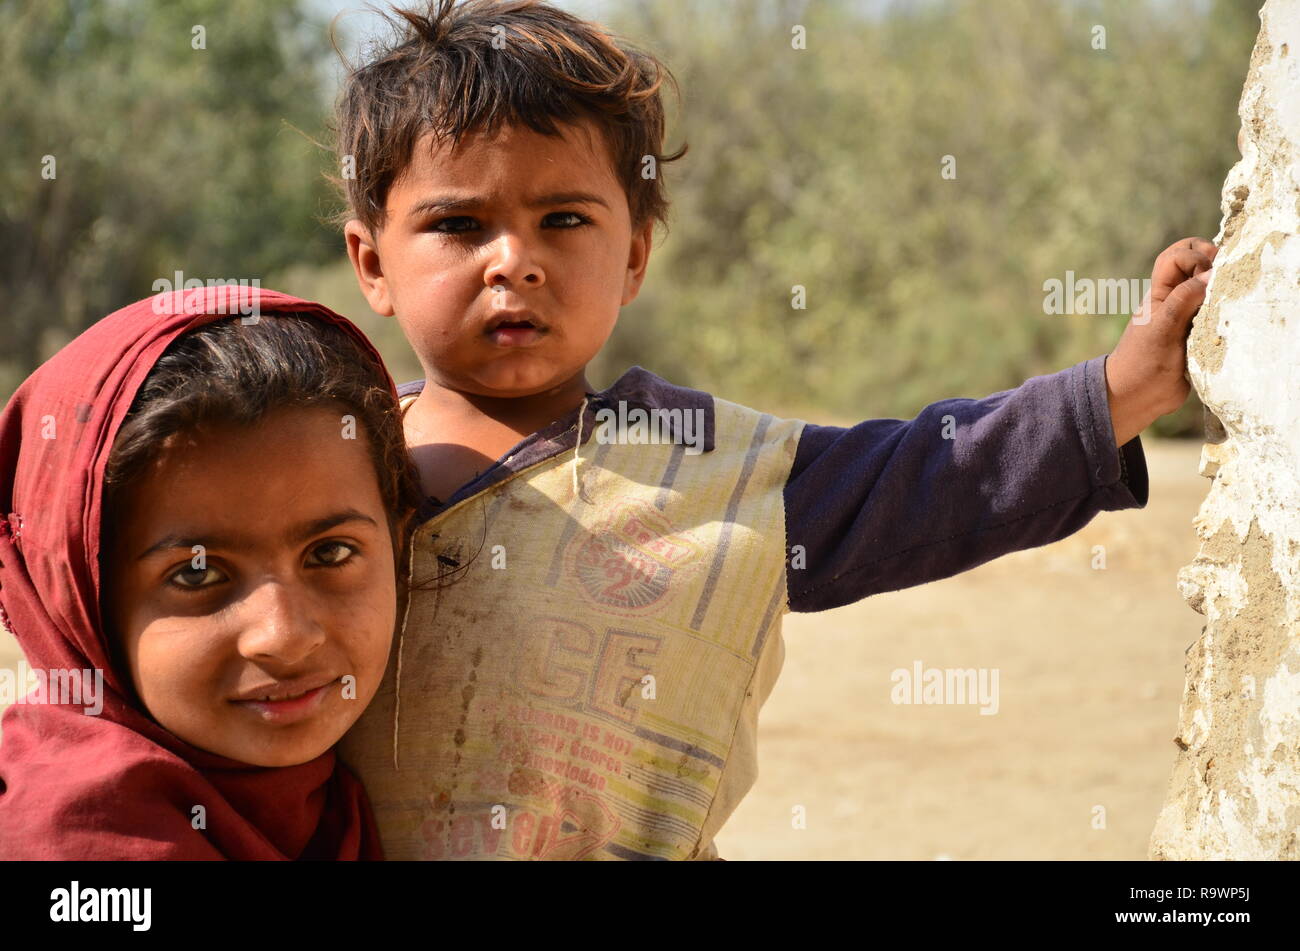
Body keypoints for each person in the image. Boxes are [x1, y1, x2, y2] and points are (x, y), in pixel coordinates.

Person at [333, 0, 1217, 859]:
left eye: (563, 219)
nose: (513, 261)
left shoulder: (725, 469)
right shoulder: (332, 465)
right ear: (373, 261)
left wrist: (1116, 392)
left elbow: (931, 475)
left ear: (634, 255)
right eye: (458, 224)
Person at [0, 287, 422, 859]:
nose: (285, 637)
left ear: (398, 540)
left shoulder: (321, 803)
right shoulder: (78, 840)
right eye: (197, 576)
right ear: (78, 600)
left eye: (330, 553)